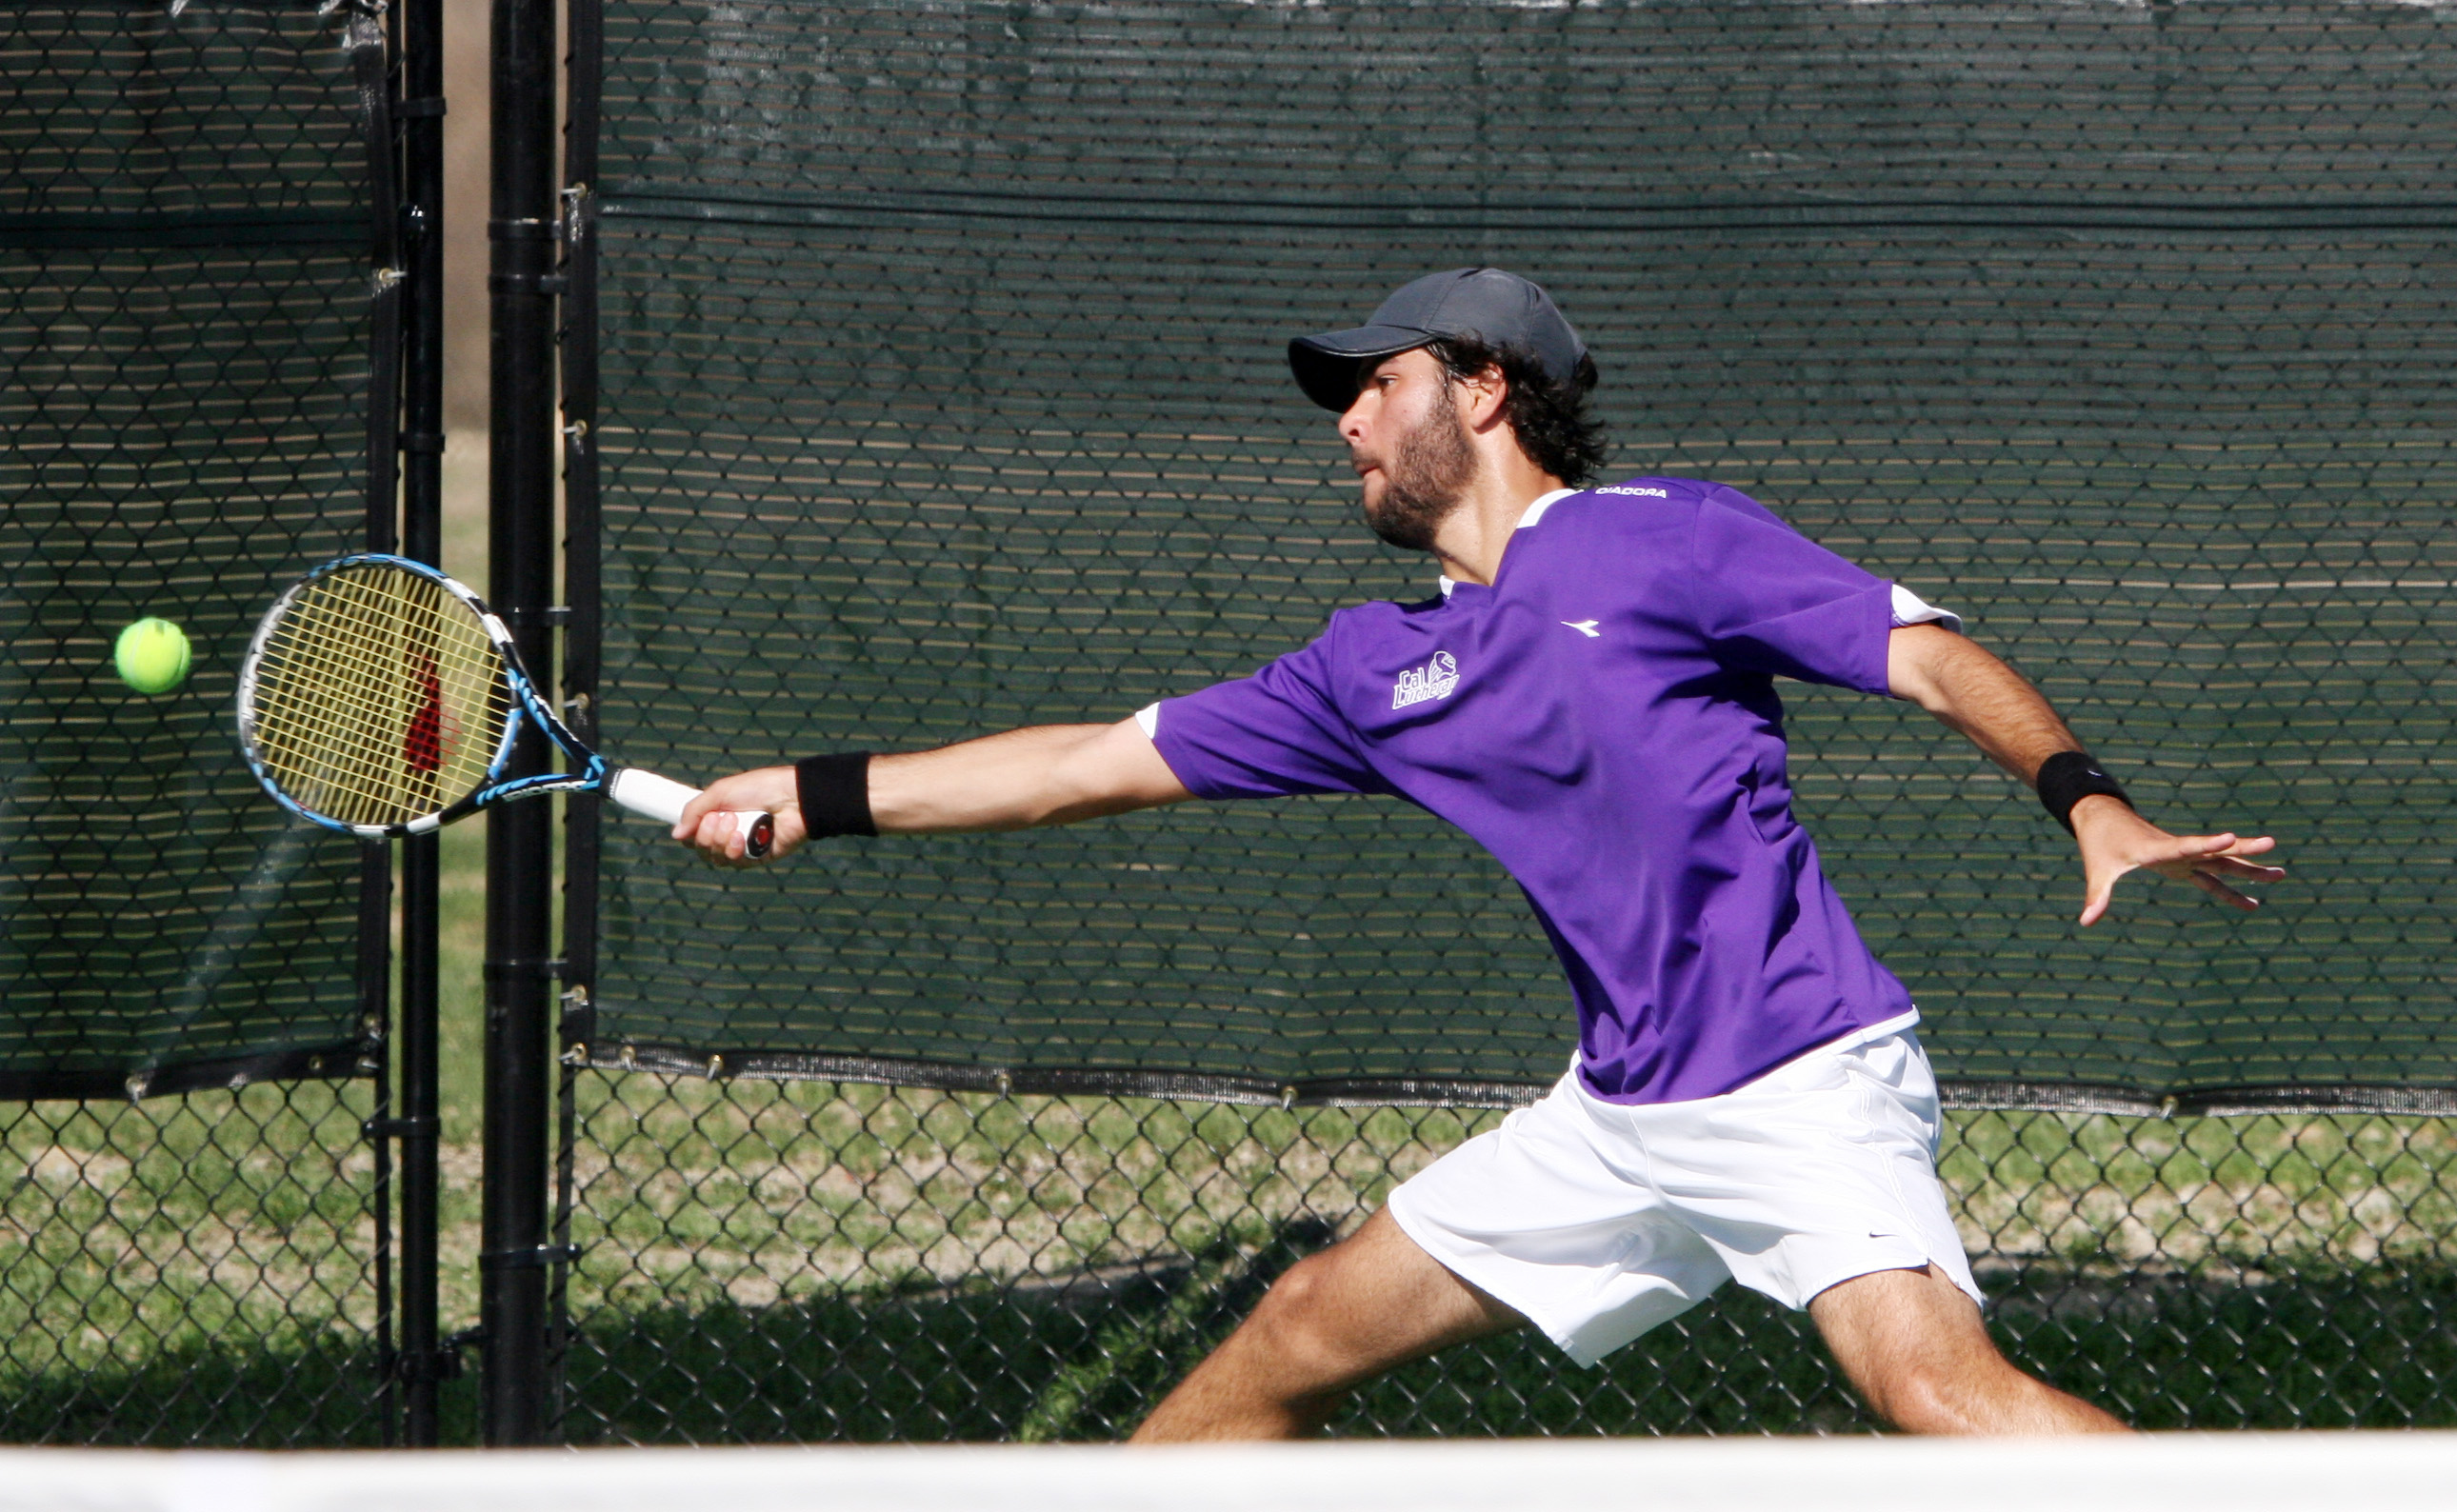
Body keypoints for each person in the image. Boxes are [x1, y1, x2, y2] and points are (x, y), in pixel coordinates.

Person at [672, 268, 2284, 1438]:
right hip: (1618, 1115)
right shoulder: (1373, 672)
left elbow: (1924, 652)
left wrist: (2090, 798)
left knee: (1939, 1398)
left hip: (1798, 1077)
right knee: (1291, 1333)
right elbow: (1086, 764)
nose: (1349, 423)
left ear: (1487, 388)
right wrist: (820, 794)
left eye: (1378, 383)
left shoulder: (1663, 535)